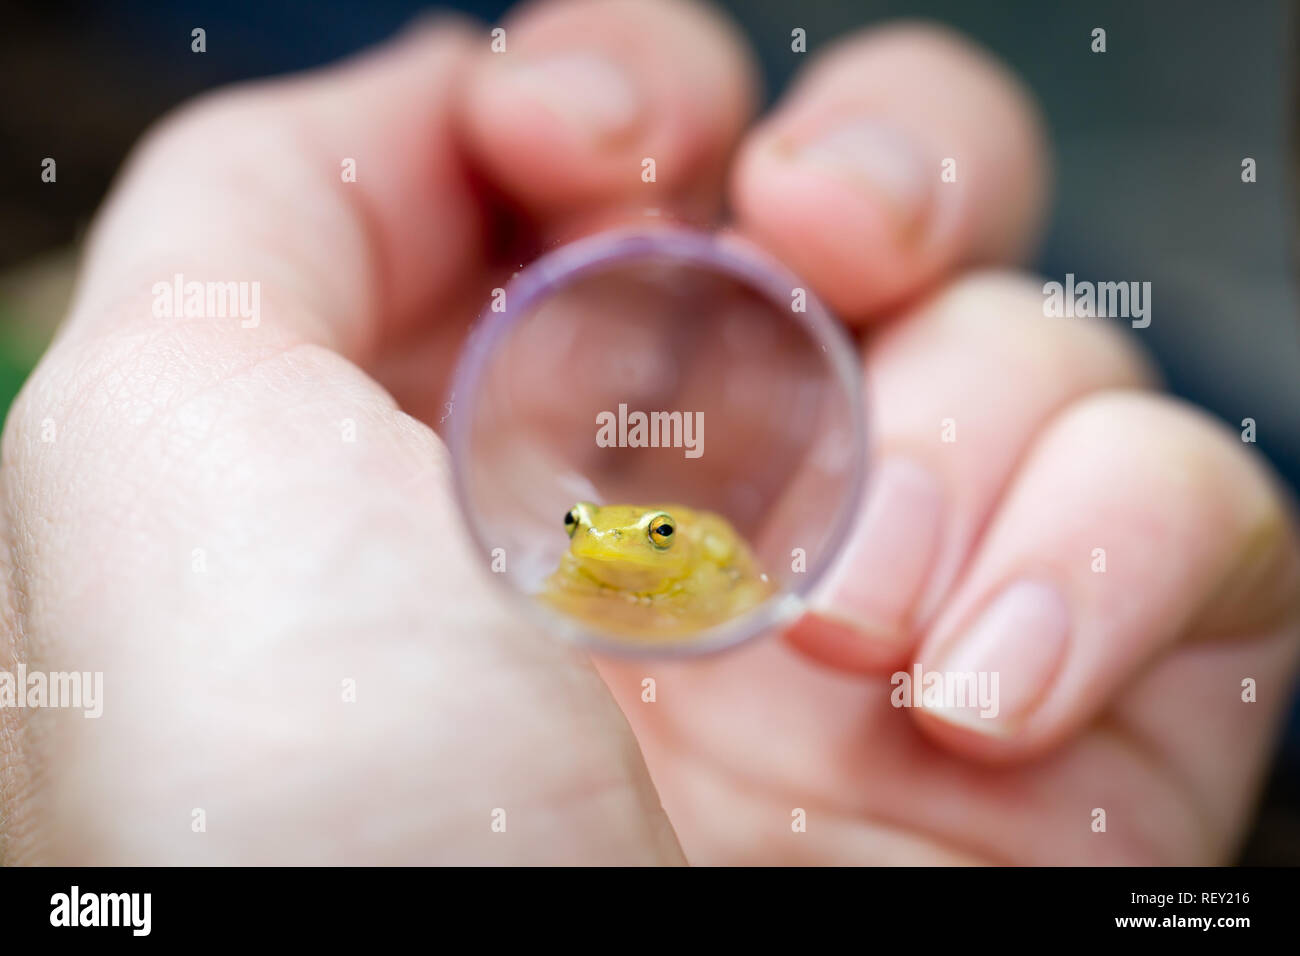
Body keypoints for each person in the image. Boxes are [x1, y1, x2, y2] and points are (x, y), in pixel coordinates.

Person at [1, 0, 1296, 864]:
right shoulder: (547, 570)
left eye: (651, 524)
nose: (604, 534)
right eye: (585, 526)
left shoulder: (728, 575)